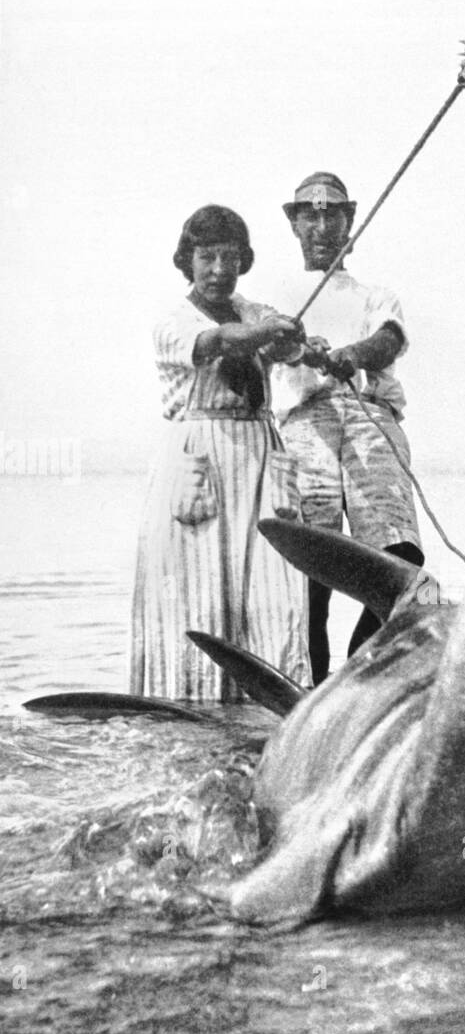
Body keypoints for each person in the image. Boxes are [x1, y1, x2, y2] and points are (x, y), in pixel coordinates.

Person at [130, 204, 309, 701]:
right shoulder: (173, 321)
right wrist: (271, 334)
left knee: (274, 599)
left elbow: (287, 344)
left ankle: (267, 717)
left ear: (242, 261)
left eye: (230, 258)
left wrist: (294, 338)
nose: (219, 270)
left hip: (259, 460)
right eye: (207, 257)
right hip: (196, 464)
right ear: (187, 260)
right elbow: (220, 342)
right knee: (197, 599)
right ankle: (191, 711)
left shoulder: (256, 312)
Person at [269, 171, 424, 685]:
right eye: (308, 214)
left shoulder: (377, 294)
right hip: (303, 423)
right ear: (294, 225)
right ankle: (311, 690)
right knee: (311, 563)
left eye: (331, 213)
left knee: (400, 558)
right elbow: (266, 346)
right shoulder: (277, 297)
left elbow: (388, 340)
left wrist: (350, 355)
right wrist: (295, 347)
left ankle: (358, 675)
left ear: (349, 221)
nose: (320, 224)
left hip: (369, 416)